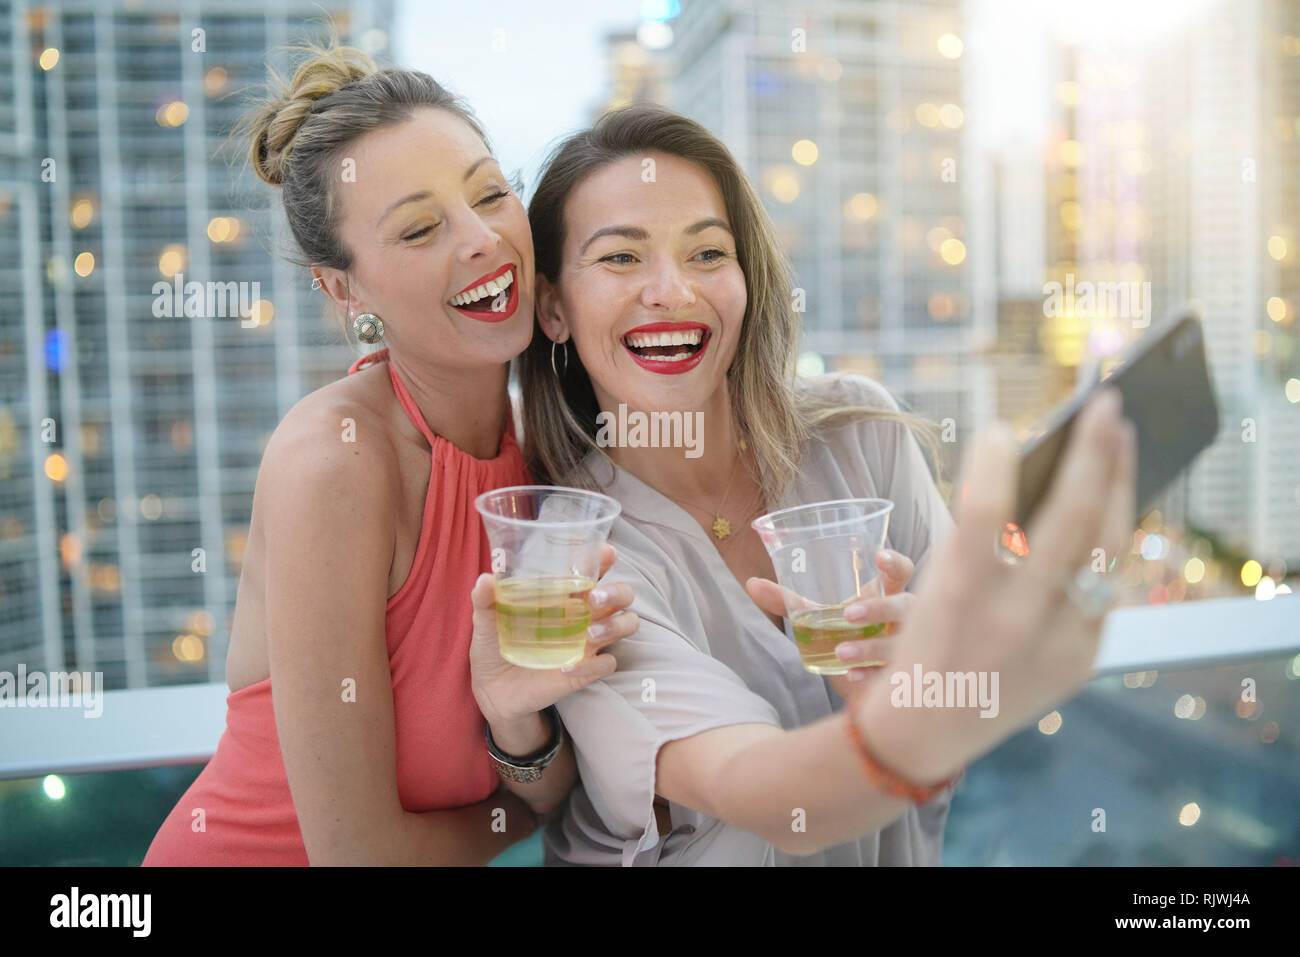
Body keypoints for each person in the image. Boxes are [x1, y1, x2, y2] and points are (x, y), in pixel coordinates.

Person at [519, 105, 1138, 865]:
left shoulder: (861, 433)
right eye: (620, 259)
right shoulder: (580, 552)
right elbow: (767, 795)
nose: (671, 291)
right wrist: (910, 720)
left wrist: (942, 674)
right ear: (553, 307)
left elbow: (971, 693)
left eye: (708, 252)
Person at [142, 43, 639, 866]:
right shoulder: (335, 462)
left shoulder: (544, 458)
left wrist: (520, 730)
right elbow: (361, 856)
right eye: (419, 228)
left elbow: (540, 780)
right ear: (346, 290)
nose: (483, 239)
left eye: (491, 192)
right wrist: (528, 808)